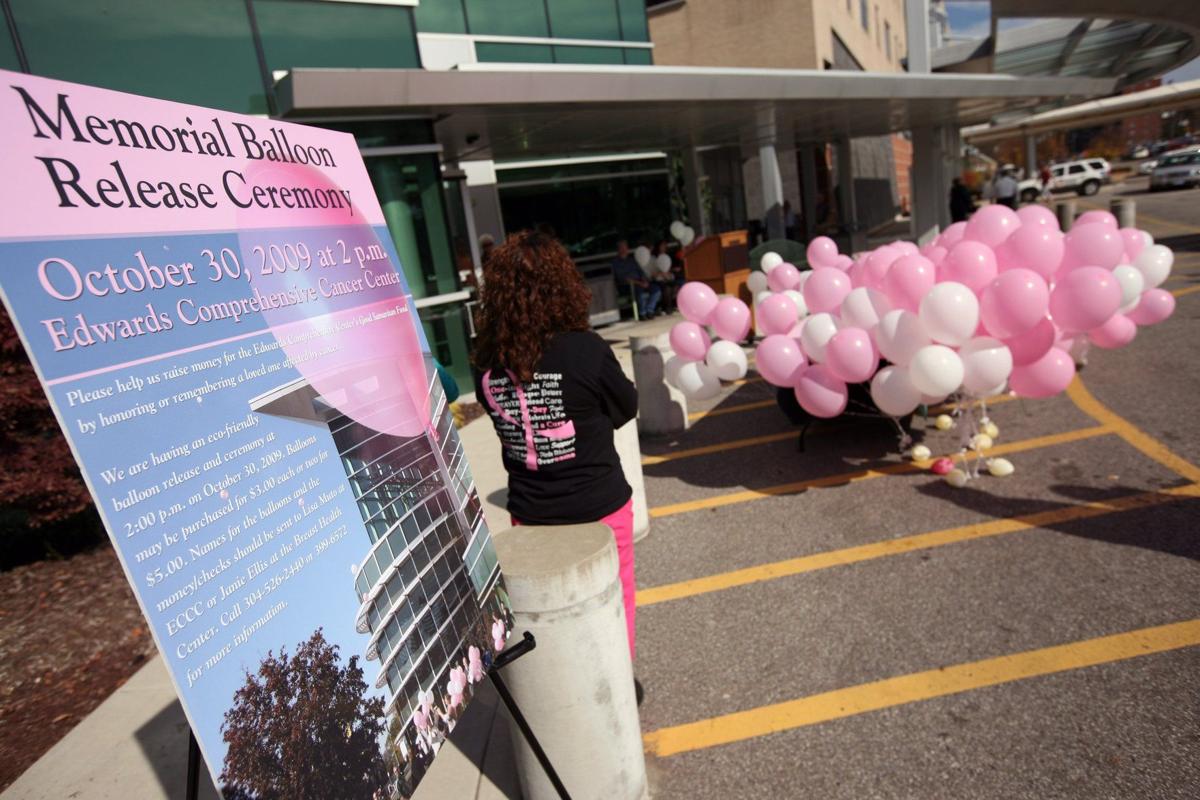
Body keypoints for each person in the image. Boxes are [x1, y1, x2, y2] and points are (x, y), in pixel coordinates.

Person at [473, 231, 641, 664]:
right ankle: (616, 705)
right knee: (613, 608)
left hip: (531, 514)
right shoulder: (585, 350)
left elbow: (505, 430)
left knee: (551, 625)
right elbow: (626, 407)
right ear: (562, 285)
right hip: (600, 507)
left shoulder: (488, 366)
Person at [611, 239, 661, 319]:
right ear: (618, 249)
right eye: (622, 247)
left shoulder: (632, 260)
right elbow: (623, 278)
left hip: (640, 283)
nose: (624, 249)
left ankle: (649, 310)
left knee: (656, 289)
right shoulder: (616, 263)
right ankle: (642, 313)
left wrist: (644, 280)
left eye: (626, 247)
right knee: (639, 290)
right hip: (628, 286)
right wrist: (639, 283)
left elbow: (641, 271)